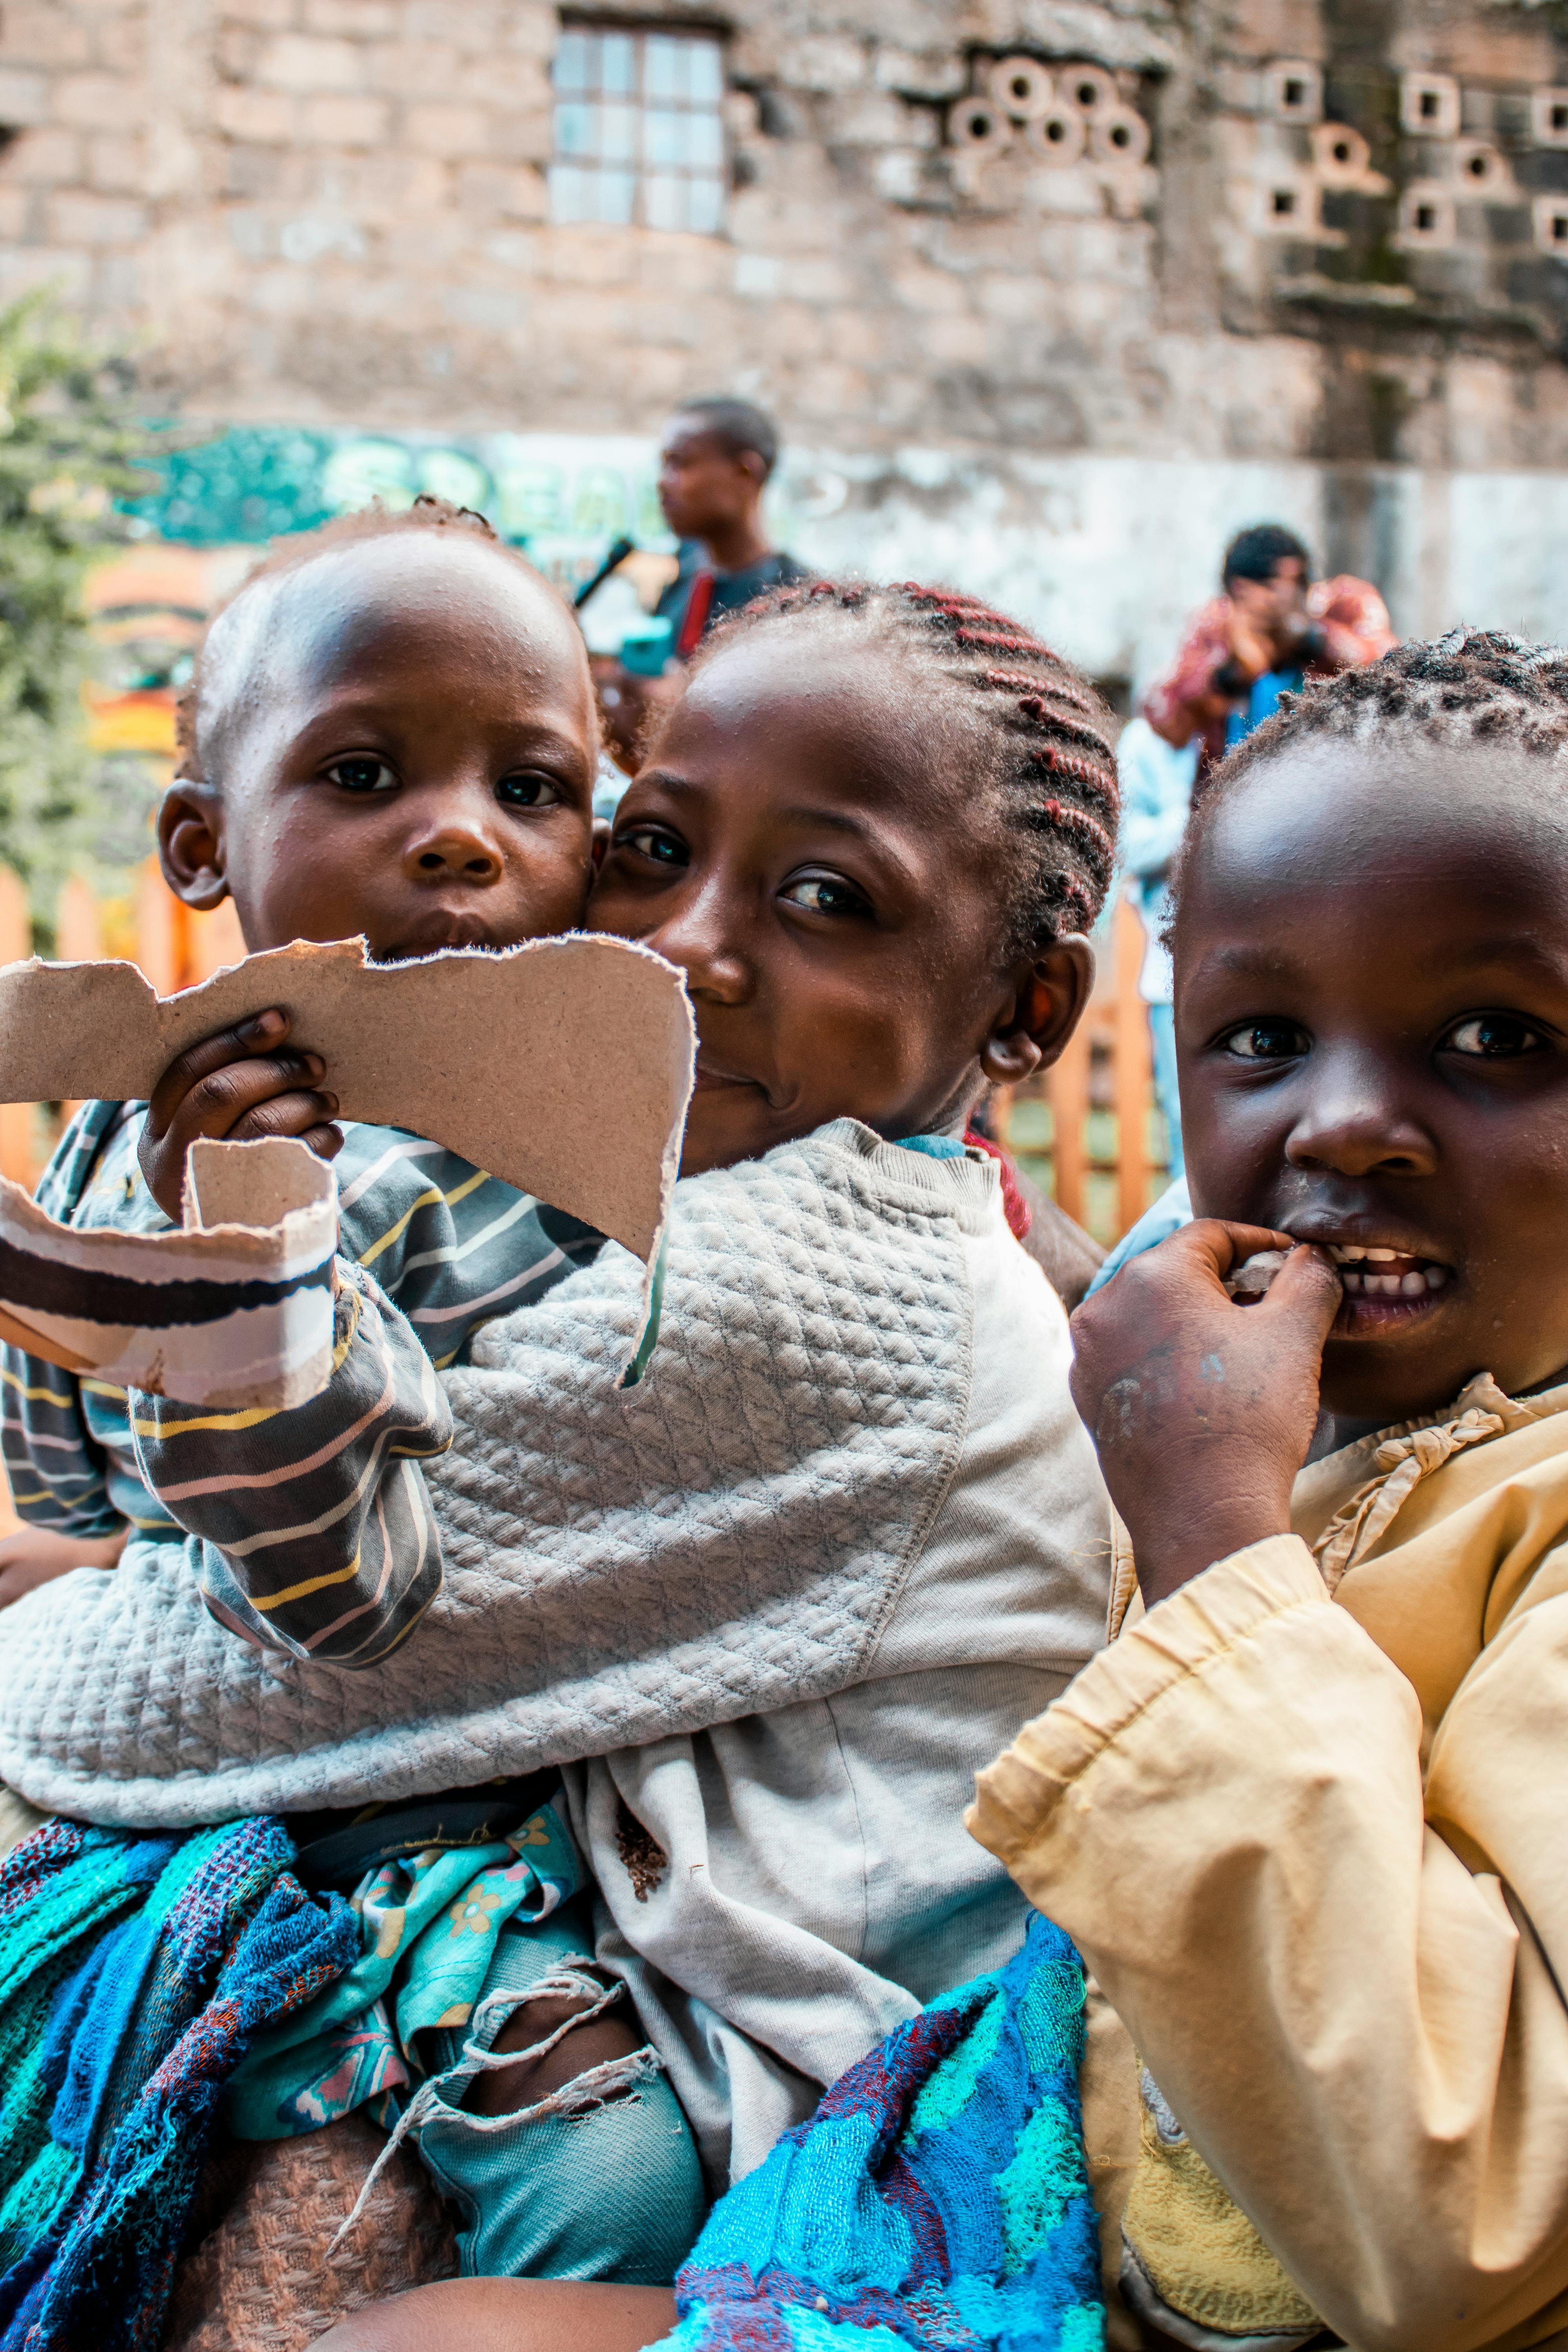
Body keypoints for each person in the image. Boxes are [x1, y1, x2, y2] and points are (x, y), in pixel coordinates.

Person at [0, 581, 1121, 2343]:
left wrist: (51, 1600)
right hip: (595, 1972)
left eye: (825, 896)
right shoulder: (663, 1188)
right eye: (655, 845)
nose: (682, 943)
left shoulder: (808, 1284)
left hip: (801, 2107)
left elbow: (215, 1684)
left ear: (1022, 1009)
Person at [0, 495, 711, 2307]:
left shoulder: (563, 1158)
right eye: (365, 770)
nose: (459, 836)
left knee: (618, 2184)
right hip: (149, 1818)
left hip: (471, 1841)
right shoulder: (101, 1149)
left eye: (532, 791)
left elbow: (511, 1538)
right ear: (200, 840)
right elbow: (63, 1510)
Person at [965, 630, 1568, 2351]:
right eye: (1259, 1035)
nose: (1346, 1123)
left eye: (1493, 1031)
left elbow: (1462, 2211)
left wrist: (1216, 1539)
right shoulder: (1256, 1414)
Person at [1145, 522, 1396, 776]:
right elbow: (1164, 721)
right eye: (1268, 586)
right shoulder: (1215, 626)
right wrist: (1230, 675)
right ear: (1235, 590)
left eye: (1289, 583)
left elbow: (1391, 675)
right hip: (1231, 799)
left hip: (1332, 786)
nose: (1280, 598)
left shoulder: (1343, 604)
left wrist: (1312, 642)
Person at [1115, 711, 1199, 1179]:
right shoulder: (1149, 740)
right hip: (1172, 977)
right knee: (1186, 1128)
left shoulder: (1270, 711)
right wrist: (1201, 816)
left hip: (1277, 967)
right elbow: (1127, 843)